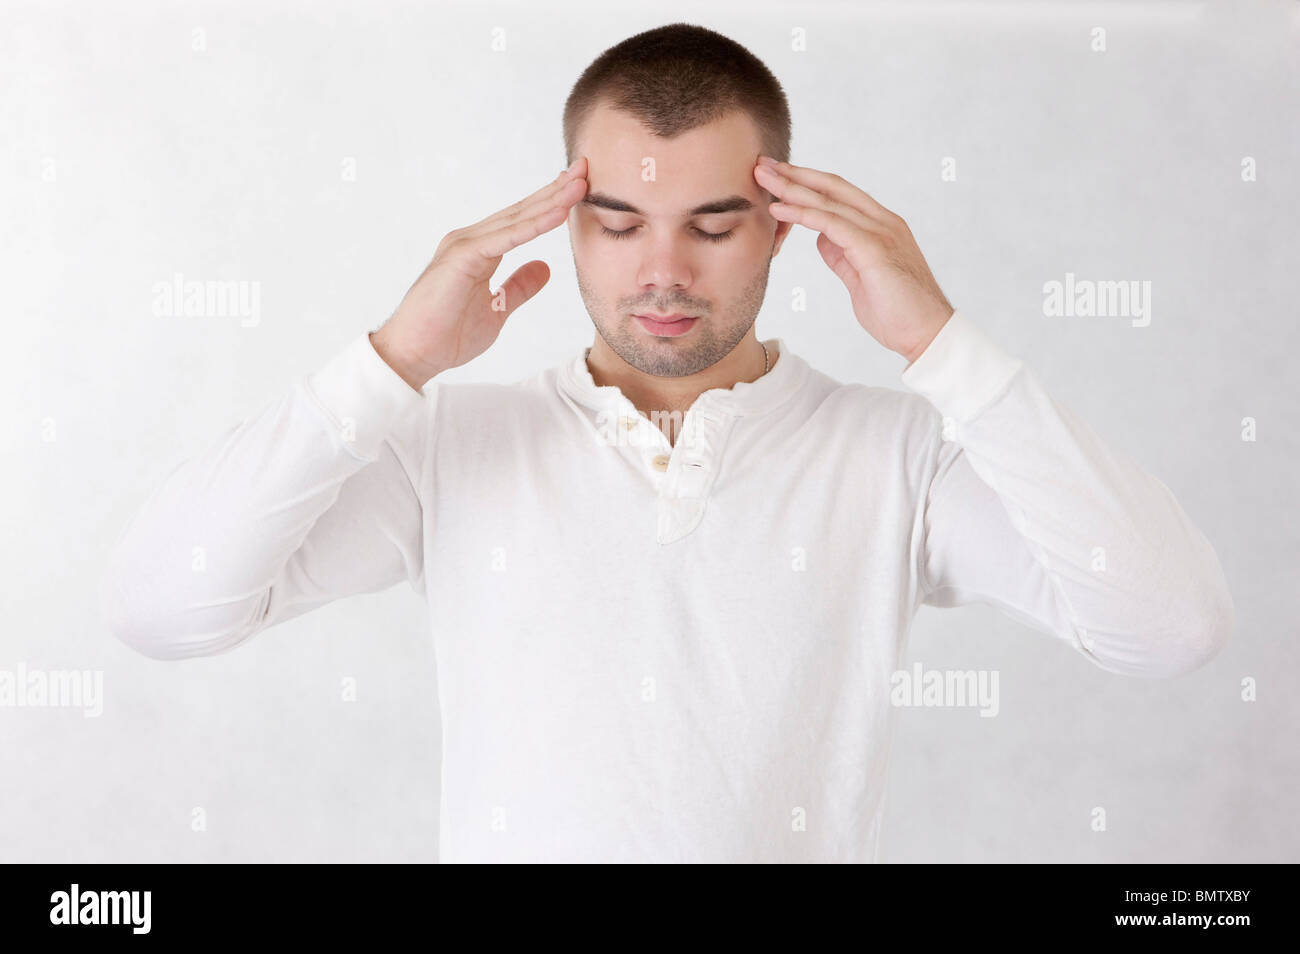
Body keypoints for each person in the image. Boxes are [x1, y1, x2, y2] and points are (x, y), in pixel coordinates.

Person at [100, 23, 1234, 863]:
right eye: (619, 221)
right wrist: (392, 359)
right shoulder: (448, 445)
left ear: (786, 224)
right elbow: (162, 607)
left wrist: (941, 344)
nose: (662, 273)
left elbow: (1168, 628)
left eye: (712, 221)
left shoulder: (897, 454)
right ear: (567, 222)